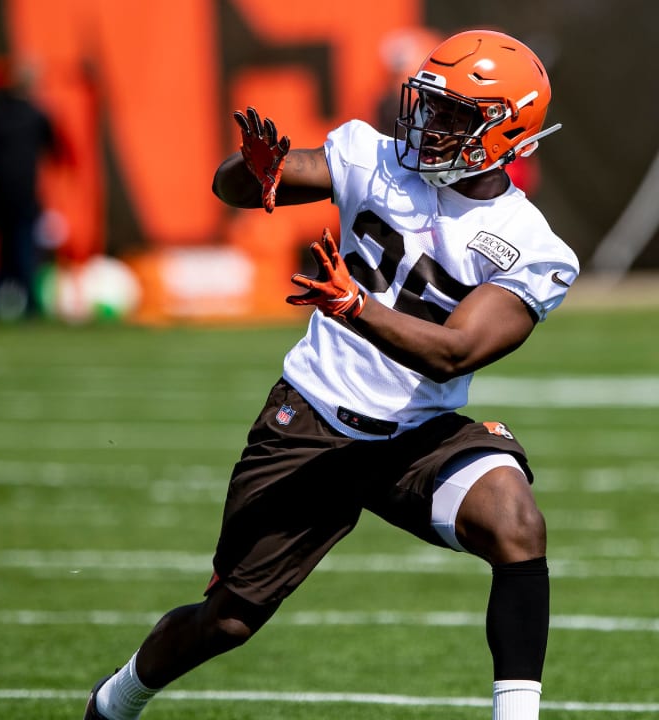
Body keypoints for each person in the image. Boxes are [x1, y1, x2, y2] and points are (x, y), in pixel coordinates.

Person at [83, 29, 577, 720]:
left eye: (455, 115)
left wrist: (355, 305)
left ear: (508, 130)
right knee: (227, 621)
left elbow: (455, 352)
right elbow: (241, 186)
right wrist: (250, 172)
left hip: (417, 432)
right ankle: (115, 701)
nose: (429, 125)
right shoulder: (370, 158)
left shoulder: (532, 246)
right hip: (311, 420)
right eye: (429, 106)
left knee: (514, 519)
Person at [0, 61, 61, 320]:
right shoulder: (37, 115)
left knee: (5, 248)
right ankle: (28, 302)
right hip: (24, 193)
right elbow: (56, 149)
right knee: (22, 247)